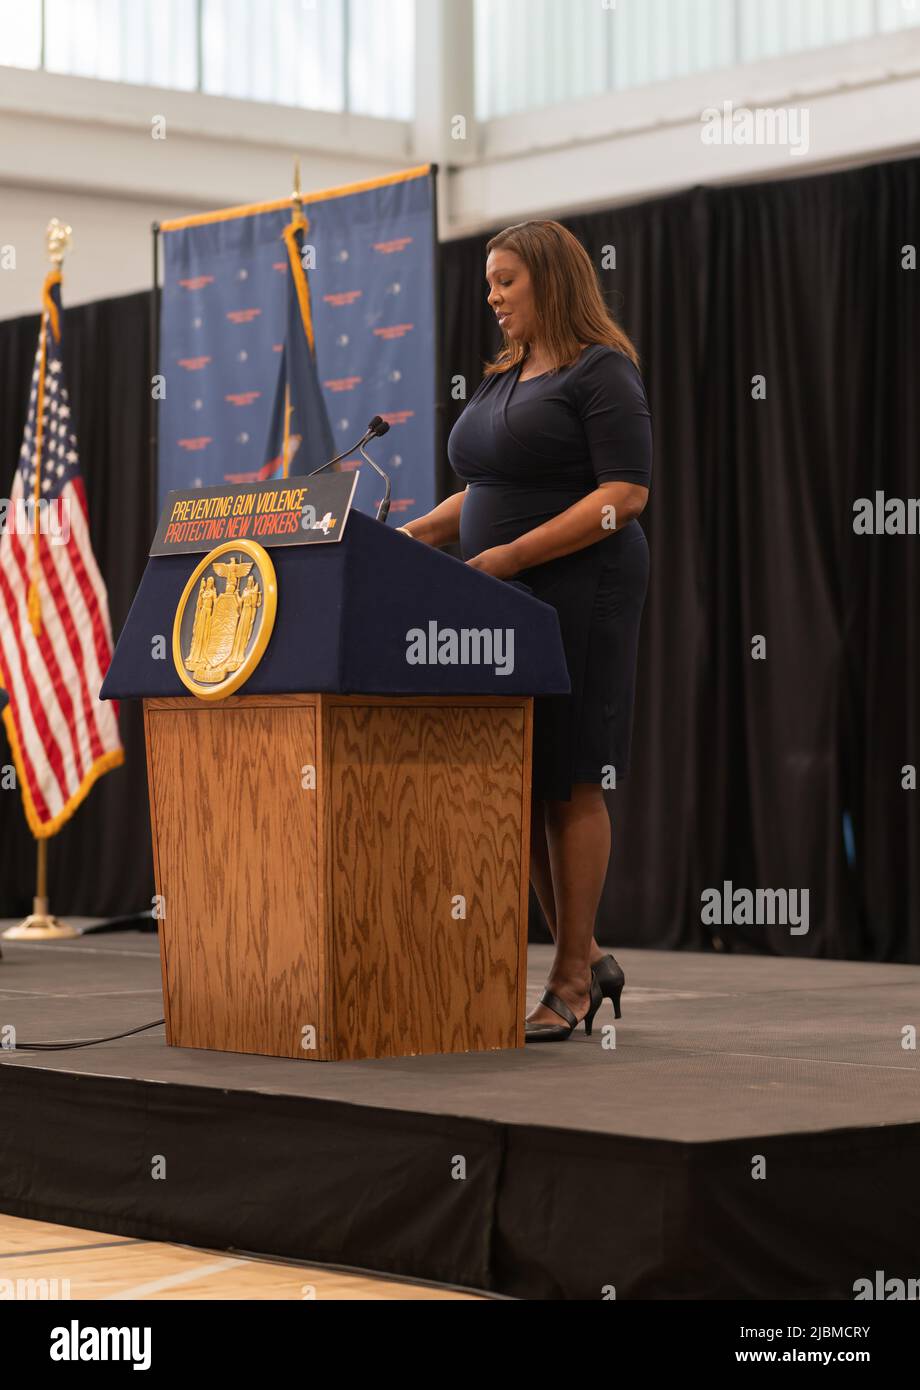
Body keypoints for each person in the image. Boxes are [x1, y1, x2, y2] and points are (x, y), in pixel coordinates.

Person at [398, 219, 651, 1042]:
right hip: (501, 598)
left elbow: (625, 493)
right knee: (525, 779)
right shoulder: (506, 376)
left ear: (550, 278)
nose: (494, 296)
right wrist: (411, 537)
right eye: (490, 283)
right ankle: (588, 954)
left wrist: (510, 556)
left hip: (582, 587)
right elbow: (485, 487)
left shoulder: (600, 370)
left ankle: (573, 978)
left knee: (570, 775)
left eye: (507, 280)